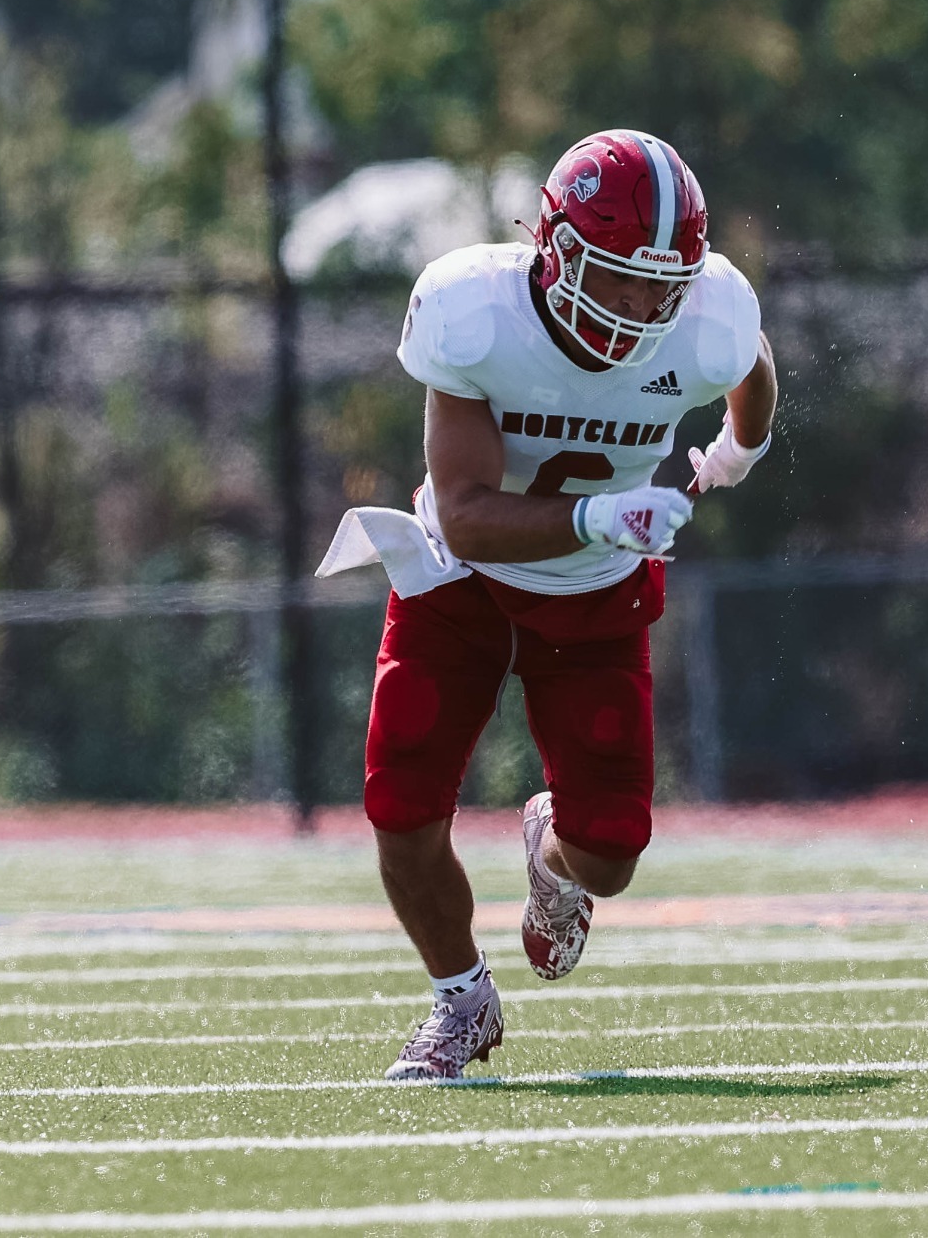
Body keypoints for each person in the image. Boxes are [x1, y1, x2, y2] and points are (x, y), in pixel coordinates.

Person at [314, 128, 778, 1080]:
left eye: (665, 283)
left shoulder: (708, 313)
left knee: (609, 852)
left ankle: (549, 852)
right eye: (619, 275)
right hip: (461, 582)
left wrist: (737, 452)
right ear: (556, 247)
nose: (647, 304)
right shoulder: (475, 311)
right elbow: (474, 520)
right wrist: (607, 512)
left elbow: (753, 365)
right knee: (400, 808)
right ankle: (461, 999)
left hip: (595, 597)